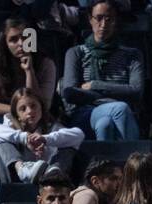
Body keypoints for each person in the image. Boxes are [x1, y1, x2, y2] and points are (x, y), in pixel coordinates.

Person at [60, 1, 143, 142]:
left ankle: (104, 163)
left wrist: (95, 85)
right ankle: (131, 160)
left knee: (105, 124)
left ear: (115, 21)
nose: (103, 24)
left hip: (122, 118)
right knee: (120, 108)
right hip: (86, 113)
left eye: (109, 19)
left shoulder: (132, 55)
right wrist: (114, 95)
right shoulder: (76, 53)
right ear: (90, 19)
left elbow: (136, 91)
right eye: (98, 18)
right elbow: (70, 93)